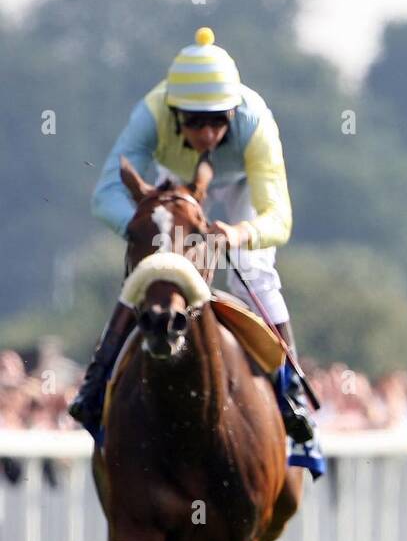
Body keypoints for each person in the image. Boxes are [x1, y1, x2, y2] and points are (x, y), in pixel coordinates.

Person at [72, 27, 314, 445]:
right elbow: (106, 194)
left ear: (233, 113)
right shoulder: (150, 113)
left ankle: (291, 389)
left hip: (243, 186)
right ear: (174, 113)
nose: (207, 134)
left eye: (218, 121)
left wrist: (239, 233)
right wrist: (149, 229)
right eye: (195, 122)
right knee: (154, 268)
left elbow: (280, 218)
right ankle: (96, 380)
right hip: (177, 187)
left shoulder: (256, 124)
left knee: (254, 273)